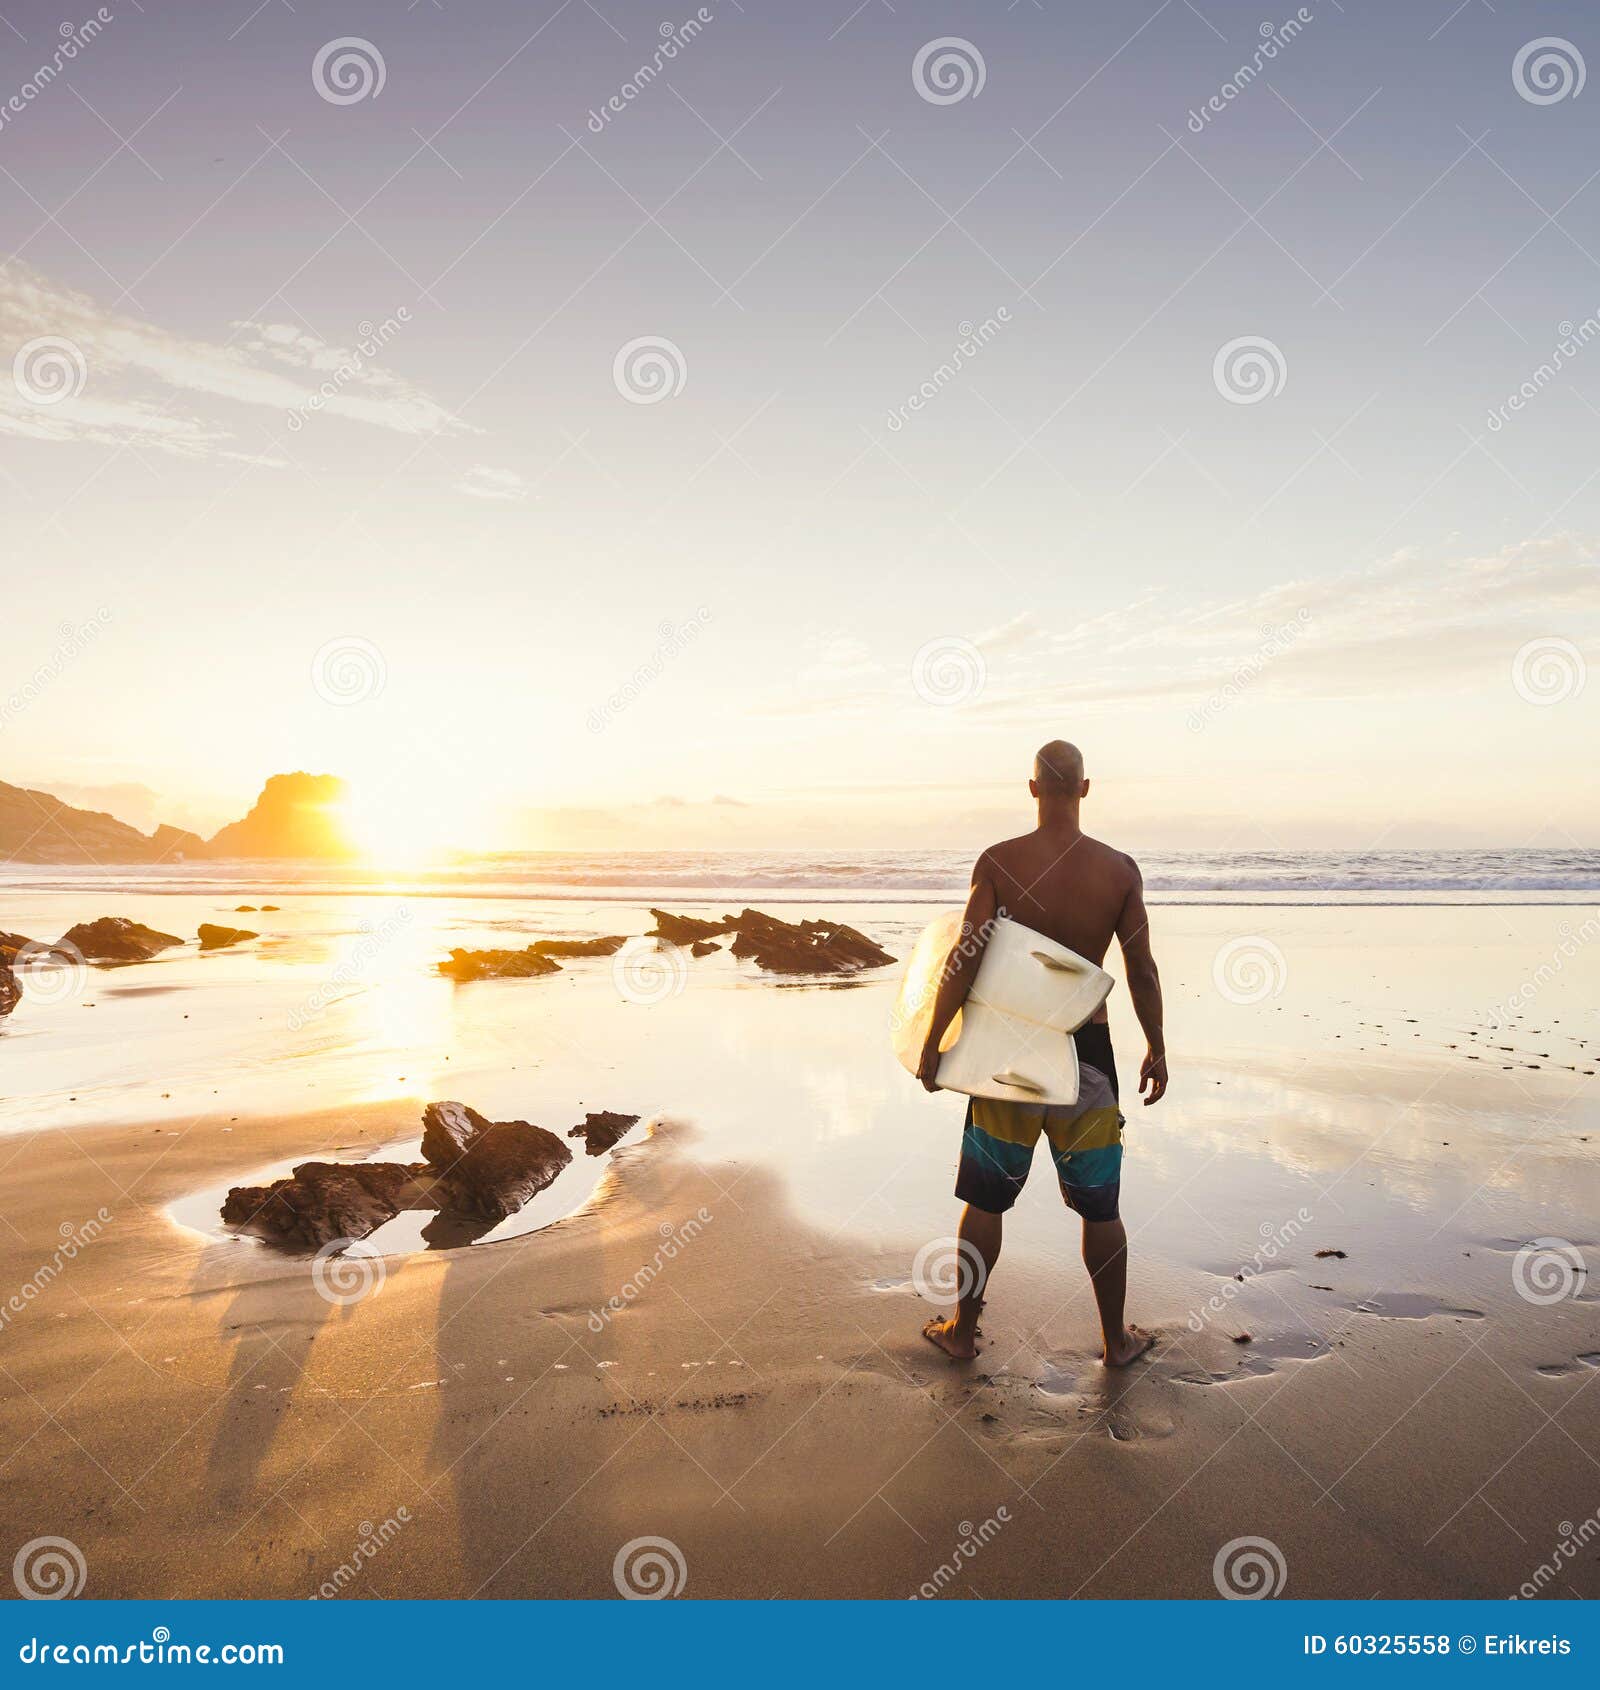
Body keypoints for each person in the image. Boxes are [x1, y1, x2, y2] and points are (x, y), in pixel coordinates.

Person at [916, 740, 1166, 1365]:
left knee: (985, 1199)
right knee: (1100, 1206)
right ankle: (1115, 1343)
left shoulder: (999, 862)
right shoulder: (1119, 871)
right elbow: (1141, 968)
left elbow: (964, 956)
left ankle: (962, 1333)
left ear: (1032, 789)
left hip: (1010, 1051)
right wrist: (1157, 1046)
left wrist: (934, 1038)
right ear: (1085, 788)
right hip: (1088, 1048)